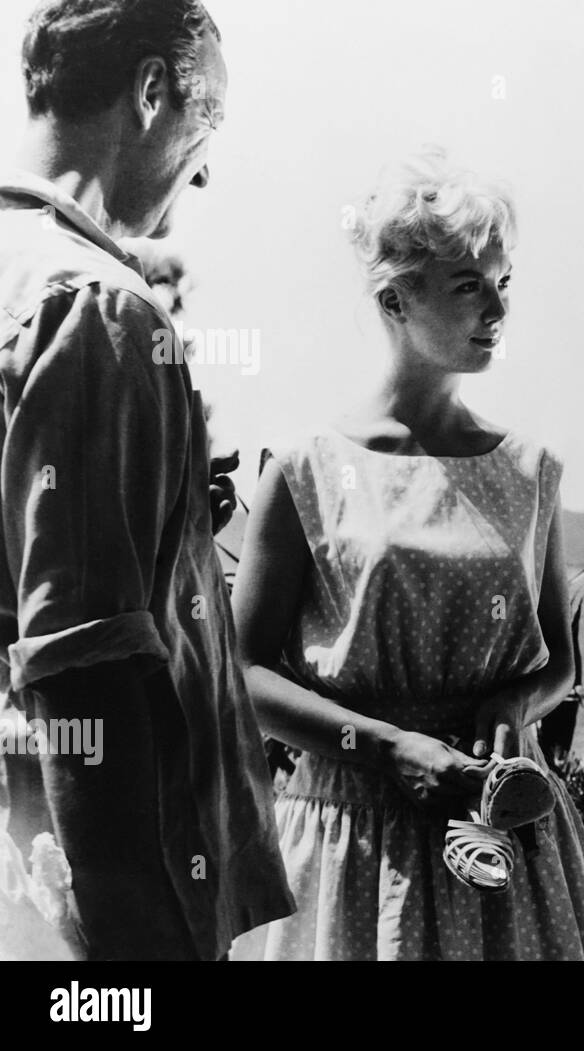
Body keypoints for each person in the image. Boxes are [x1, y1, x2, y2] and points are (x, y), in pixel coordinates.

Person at [230, 146, 584, 961]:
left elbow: (558, 666)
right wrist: (384, 747)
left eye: (503, 282)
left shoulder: (529, 469)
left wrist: (516, 707)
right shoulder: (305, 468)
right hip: (349, 830)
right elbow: (242, 669)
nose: (497, 310)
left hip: (503, 832)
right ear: (394, 298)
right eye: (469, 285)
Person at [0, 0, 292, 960]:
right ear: (153, 90)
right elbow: (87, 662)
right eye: (208, 126)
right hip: (66, 902)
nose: (205, 168)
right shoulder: (95, 308)